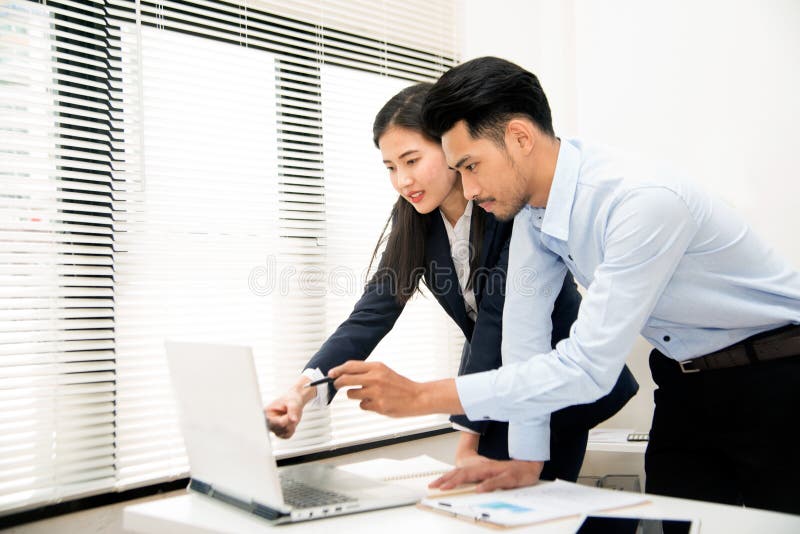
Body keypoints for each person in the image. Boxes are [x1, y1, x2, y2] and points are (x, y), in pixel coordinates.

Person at [328, 57, 800, 514]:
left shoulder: (641, 201)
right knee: (675, 522)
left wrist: (422, 396)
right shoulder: (535, 211)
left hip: (779, 374)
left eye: (471, 165)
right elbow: (524, 342)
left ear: (518, 137)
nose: (468, 189)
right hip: (683, 382)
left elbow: (588, 367)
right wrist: (527, 458)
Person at [266, 83, 638, 481]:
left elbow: (497, 321)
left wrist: (466, 439)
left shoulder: (510, 206)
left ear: (449, 148)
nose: (403, 181)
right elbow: (371, 314)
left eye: (411, 160)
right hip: (497, 380)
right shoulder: (414, 221)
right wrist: (301, 391)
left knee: (531, 509)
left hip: (556, 381)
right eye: (391, 167)